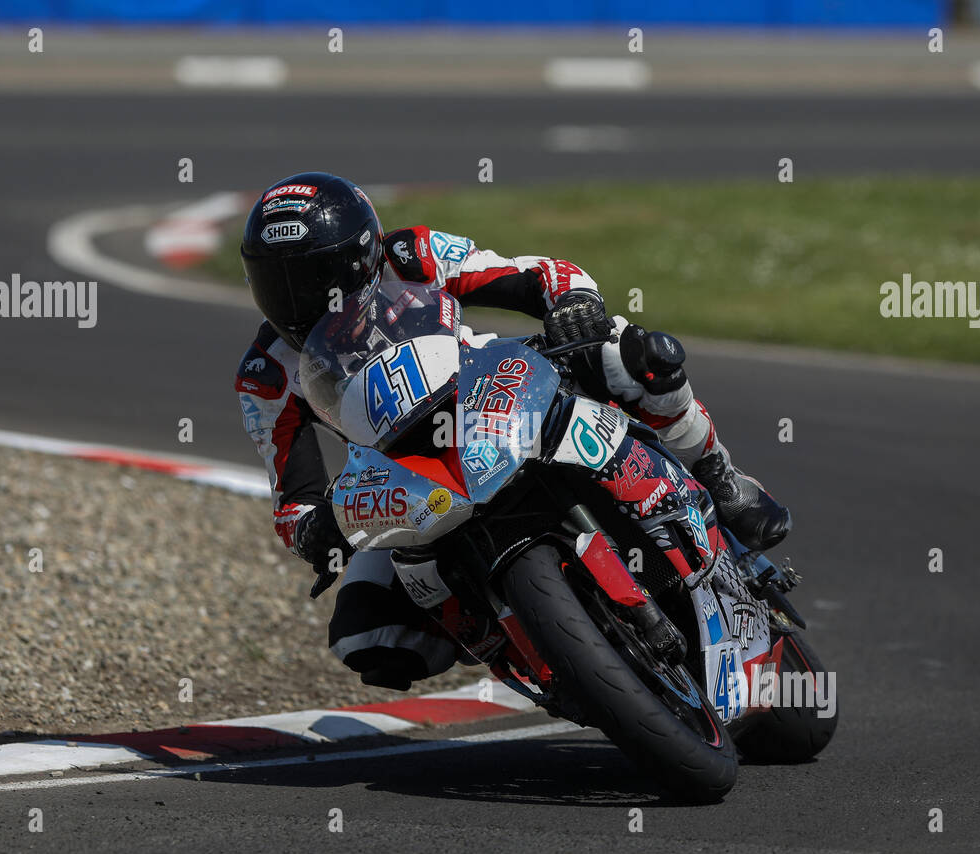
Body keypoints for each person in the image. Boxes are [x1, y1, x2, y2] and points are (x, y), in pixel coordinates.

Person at [236, 171, 790, 690]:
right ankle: (533, 655)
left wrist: (573, 304)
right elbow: (292, 500)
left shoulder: (414, 254)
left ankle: (717, 474)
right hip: (409, 474)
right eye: (275, 282)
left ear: (363, 258)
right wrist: (316, 530)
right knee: (367, 636)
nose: (298, 301)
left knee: (636, 354)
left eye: (314, 278)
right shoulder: (266, 375)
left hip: (499, 388)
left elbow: (543, 274)